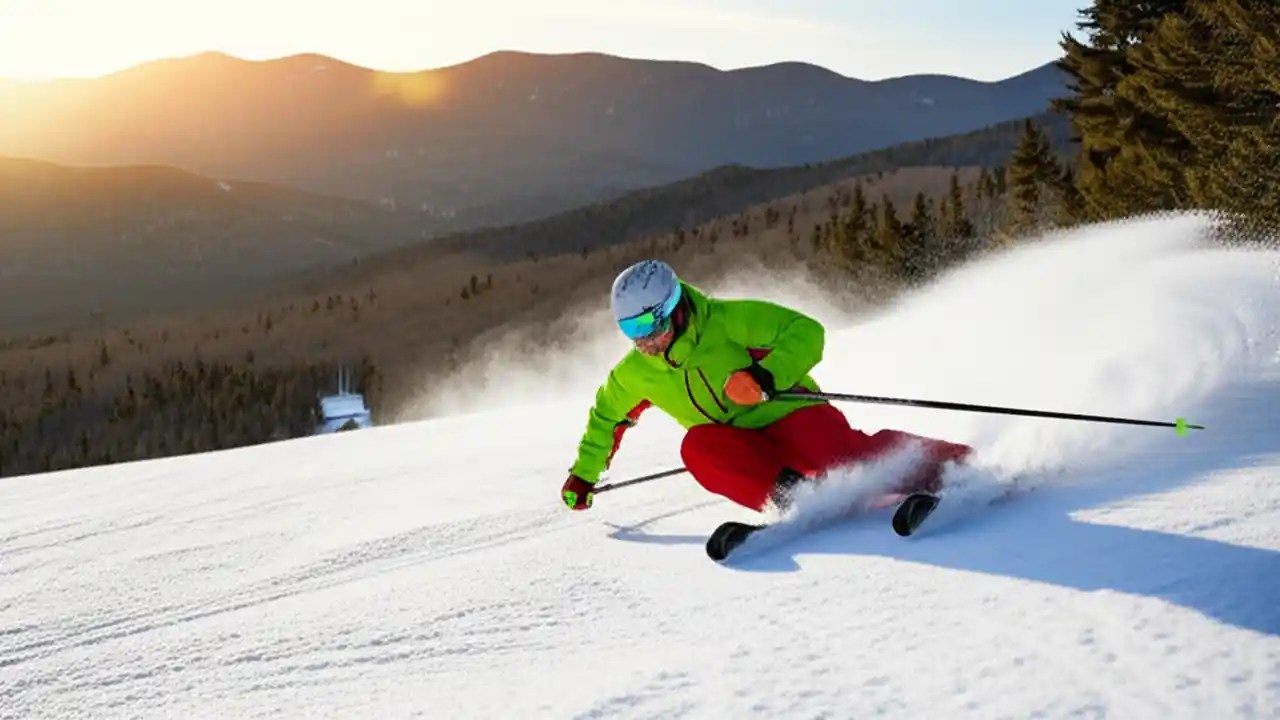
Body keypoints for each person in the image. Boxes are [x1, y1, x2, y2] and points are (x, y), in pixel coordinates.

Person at [560, 260, 972, 513]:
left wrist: (764, 377)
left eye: (648, 324)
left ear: (672, 306)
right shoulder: (635, 372)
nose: (643, 340)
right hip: (745, 445)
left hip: (793, 414)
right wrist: (583, 475)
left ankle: (957, 466)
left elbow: (805, 331)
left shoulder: (727, 321)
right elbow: (607, 417)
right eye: (629, 329)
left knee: (843, 458)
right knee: (697, 450)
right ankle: (795, 497)